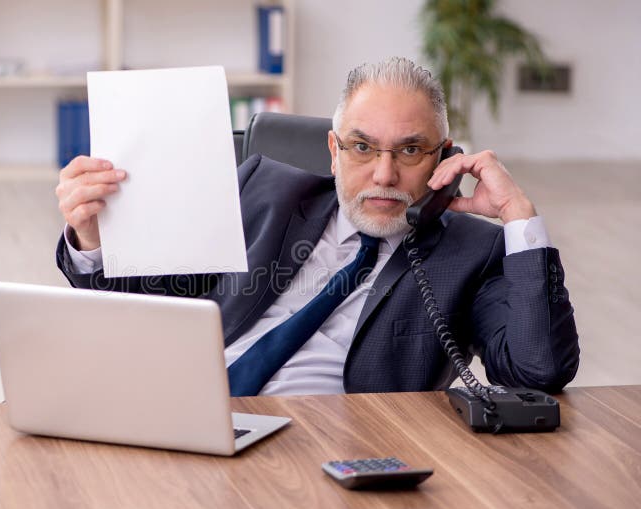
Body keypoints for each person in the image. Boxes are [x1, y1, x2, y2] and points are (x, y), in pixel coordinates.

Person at [54, 57, 579, 396]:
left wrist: (519, 219)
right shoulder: (263, 187)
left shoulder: (474, 251)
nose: (384, 174)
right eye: (362, 146)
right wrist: (95, 240)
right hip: (185, 404)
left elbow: (538, 373)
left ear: (445, 159)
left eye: (411, 150)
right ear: (334, 150)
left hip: (332, 446)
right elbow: (151, 296)